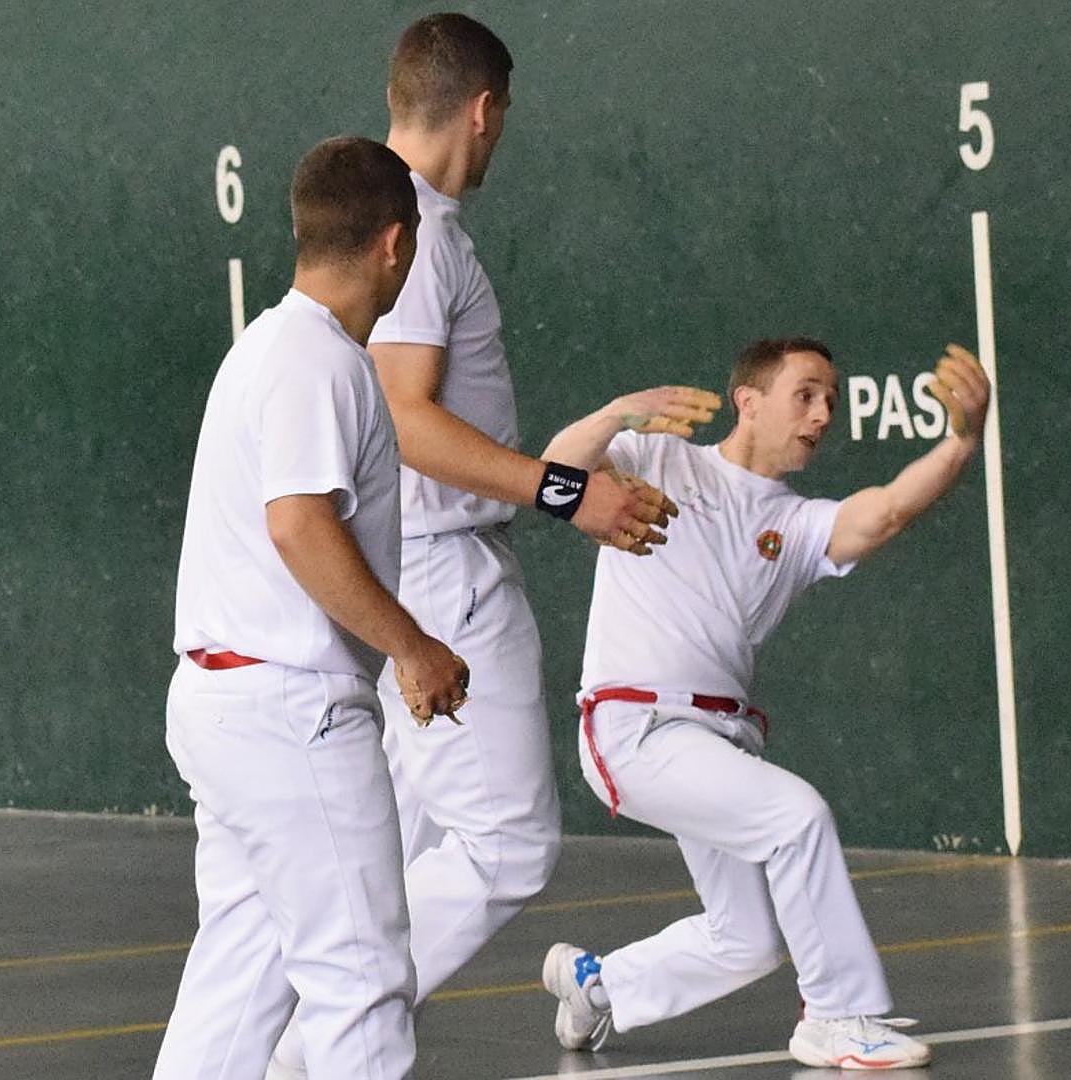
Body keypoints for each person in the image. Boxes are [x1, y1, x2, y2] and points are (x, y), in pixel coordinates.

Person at [265, 17, 716, 1074]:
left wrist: (590, 439)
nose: (501, 133)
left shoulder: (398, 229)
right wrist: (567, 493)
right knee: (505, 844)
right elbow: (407, 418)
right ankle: (328, 1039)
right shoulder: (413, 234)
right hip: (441, 574)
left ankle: (310, 1050)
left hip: (411, 564)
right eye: (502, 115)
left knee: (402, 846)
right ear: (481, 109)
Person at [538, 338, 993, 1070]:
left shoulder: (800, 524)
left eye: (831, 402)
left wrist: (962, 442)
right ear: (748, 401)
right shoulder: (657, 459)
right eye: (805, 395)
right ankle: (838, 1016)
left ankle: (597, 985)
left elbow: (885, 512)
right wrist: (618, 414)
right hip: (636, 727)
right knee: (796, 818)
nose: (822, 415)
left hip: (714, 741)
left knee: (744, 940)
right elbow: (555, 474)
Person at [152, 135, 469, 1080]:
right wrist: (412, 647)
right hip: (290, 712)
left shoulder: (268, 345)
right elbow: (298, 525)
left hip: (227, 704)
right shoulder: (318, 360)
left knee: (240, 977)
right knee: (359, 981)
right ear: (395, 244)